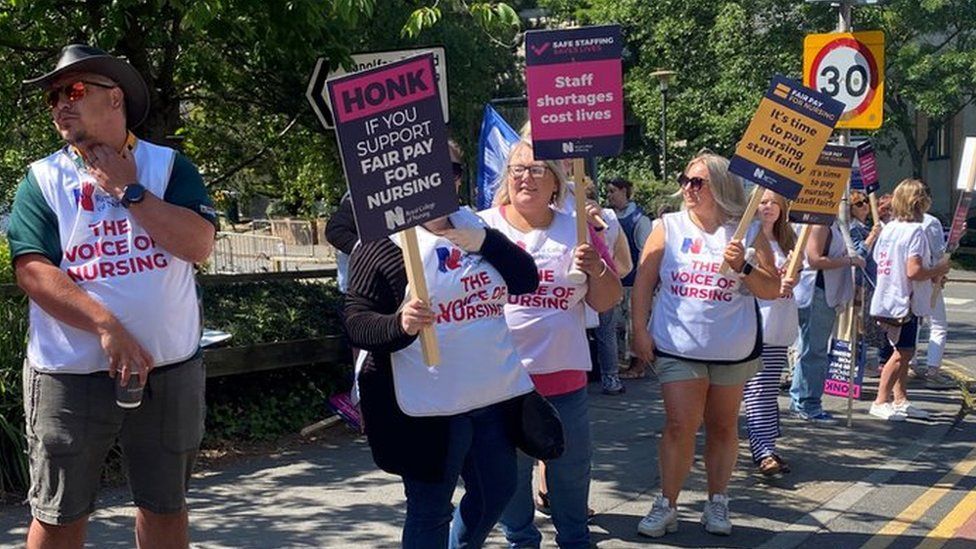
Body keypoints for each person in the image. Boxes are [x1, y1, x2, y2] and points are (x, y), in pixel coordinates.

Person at [7, 44, 217, 548]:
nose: (61, 103)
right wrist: (107, 326)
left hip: (169, 372)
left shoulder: (168, 168)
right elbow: (33, 272)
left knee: (165, 510)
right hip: (70, 376)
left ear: (115, 97)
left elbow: (198, 245)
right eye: (54, 96)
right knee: (58, 517)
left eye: (74, 90)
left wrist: (131, 191)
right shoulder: (42, 180)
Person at [482, 134, 622, 549]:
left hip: (564, 378)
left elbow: (607, 299)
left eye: (537, 169)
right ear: (507, 177)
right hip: (500, 379)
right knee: (509, 469)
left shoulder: (576, 228)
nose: (526, 177)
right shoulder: (482, 226)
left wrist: (596, 267)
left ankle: (575, 539)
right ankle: (521, 540)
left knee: (571, 468)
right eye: (518, 169)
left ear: (557, 181)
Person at [631, 152, 781, 537]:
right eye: (685, 180)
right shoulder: (668, 226)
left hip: (732, 348)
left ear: (721, 187)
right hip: (678, 345)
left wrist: (744, 266)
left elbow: (772, 288)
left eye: (697, 182)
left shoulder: (747, 231)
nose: (687, 188)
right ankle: (666, 503)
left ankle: (717, 501)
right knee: (680, 424)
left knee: (723, 426)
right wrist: (639, 329)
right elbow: (644, 281)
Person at [869, 179, 951, 420]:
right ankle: (881, 400)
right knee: (903, 352)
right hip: (905, 300)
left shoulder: (889, 229)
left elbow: (879, 258)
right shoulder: (916, 231)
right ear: (919, 202)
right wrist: (938, 270)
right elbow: (913, 271)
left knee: (904, 349)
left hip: (887, 297)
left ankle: (900, 398)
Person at [743, 190, 798, 476]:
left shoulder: (789, 240)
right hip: (755, 322)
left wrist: (791, 275)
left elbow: (795, 275)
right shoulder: (748, 236)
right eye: (762, 202)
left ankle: (768, 445)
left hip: (779, 320)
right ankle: (762, 451)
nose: (767, 207)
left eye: (773, 202)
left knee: (767, 388)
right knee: (759, 388)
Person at [790, 217, 865, 422]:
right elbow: (814, 259)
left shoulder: (830, 221)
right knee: (814, 351)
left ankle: (801, 399)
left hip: (821, 292)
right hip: (818, 292)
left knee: (810, 349)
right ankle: (808, 404)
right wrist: (850, 260)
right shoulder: (819, 222)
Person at [605, 178, 653, 380]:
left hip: (634, 281)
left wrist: (646, 282)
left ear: (624, 191)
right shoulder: (609, 217)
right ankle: (627, 362)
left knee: (635, 324)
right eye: (607, 192)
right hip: (616, 281)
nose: (609, 195)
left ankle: (639, 365)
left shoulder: (640, 219)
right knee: (619, 325)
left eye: (612, 191)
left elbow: (647, 253)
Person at [918, 209, 955, 390]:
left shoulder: (897, 221)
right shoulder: (930, 222)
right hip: (929, 277)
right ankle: (933, 370)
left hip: (906, 278)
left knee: (914, 321)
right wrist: (954, 241)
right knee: (938, 324)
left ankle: (910, 363)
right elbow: (939, 253)